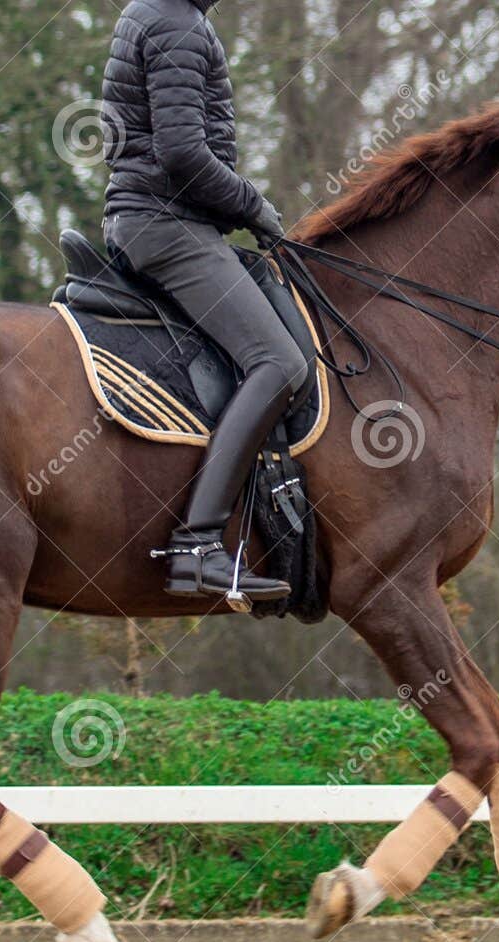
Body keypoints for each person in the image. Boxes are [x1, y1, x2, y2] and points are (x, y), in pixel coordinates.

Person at [101, 0, 310, 604]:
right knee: (280, 363)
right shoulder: (178, 24)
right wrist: (253, 207)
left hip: (159, 218)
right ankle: (197, 546)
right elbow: (183, 155)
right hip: (169, 226)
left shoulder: (153, 13)